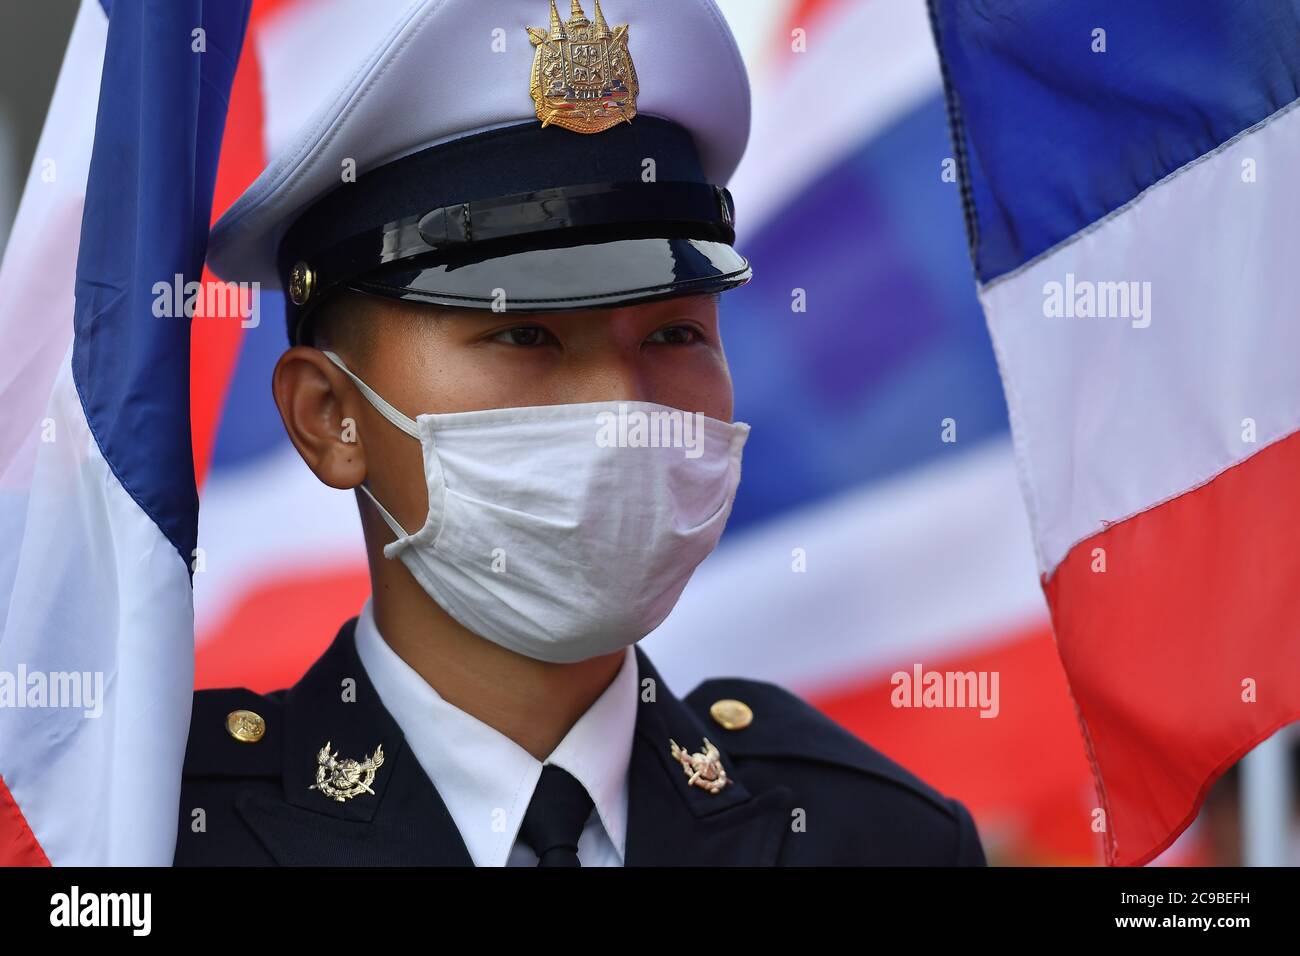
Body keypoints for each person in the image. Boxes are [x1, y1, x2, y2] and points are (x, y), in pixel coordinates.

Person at [174, 0, 987, 866]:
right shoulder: (142, 841)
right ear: (328, 416)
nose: (622, 410)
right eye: (526, 335)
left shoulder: (882, 842)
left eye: (674, 335)